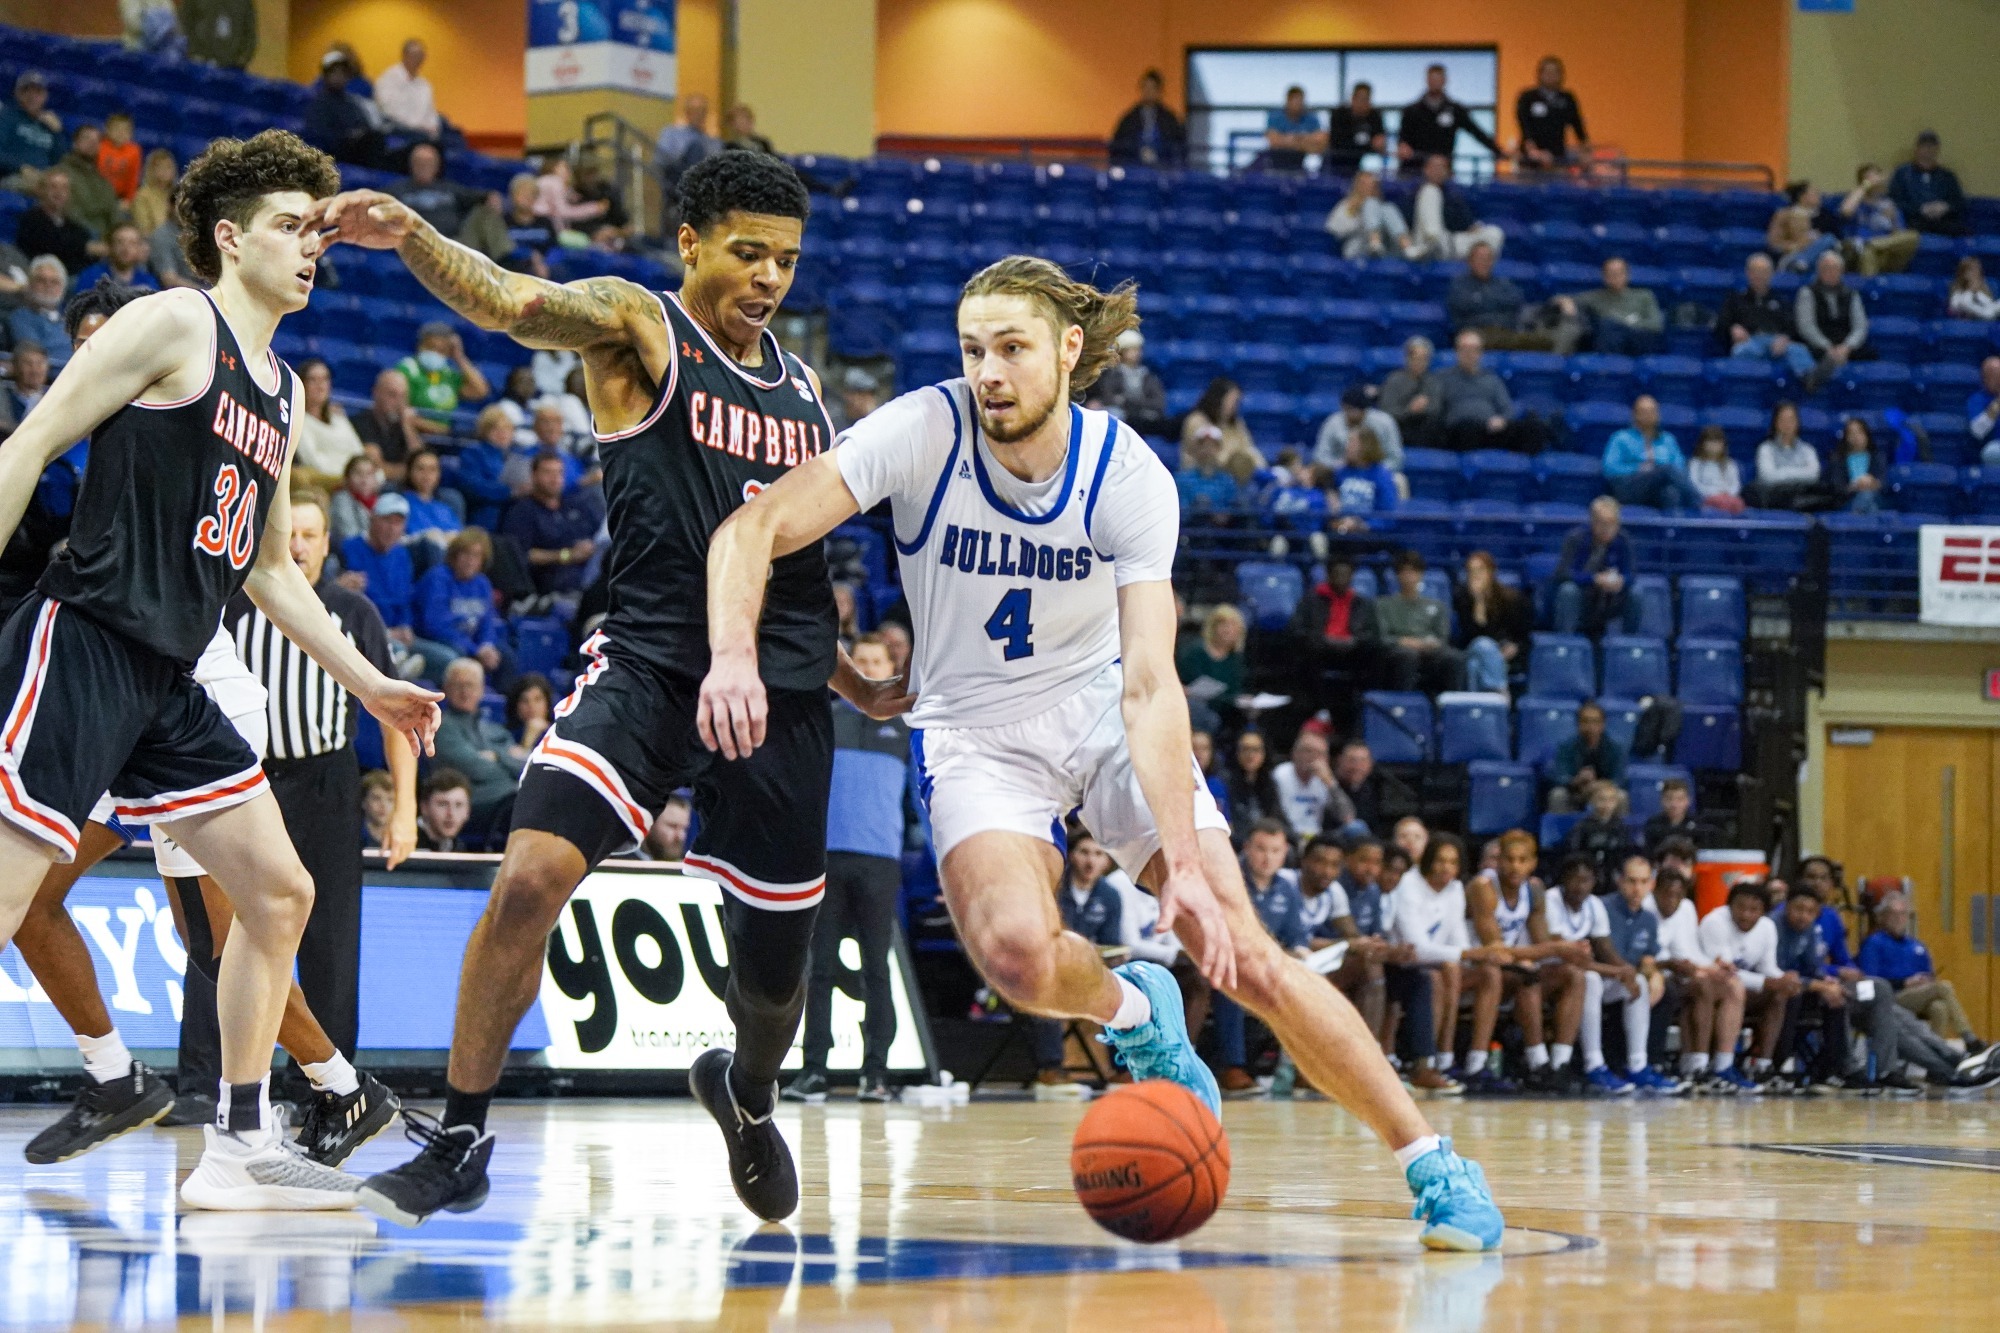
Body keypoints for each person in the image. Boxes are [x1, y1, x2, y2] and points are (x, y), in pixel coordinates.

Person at [703, 253, 1505, 1247]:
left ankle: (1431, 1165)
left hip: (1101, 713)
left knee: (1245, 952)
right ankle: (1135, 1009)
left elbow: (1150, 682)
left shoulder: (1126, 474)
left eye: (1009, 348)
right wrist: (735, 654)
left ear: (1068, 349)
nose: (986, 371)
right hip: (974, 733)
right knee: (1014, 957)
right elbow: (755, 524)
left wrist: (1179, 864)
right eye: (970, 349)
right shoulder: (922, 429)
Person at [317, 151, 901, 1228]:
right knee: (529, 875)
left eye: (784, 259)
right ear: (690, 243)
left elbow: (793, 568)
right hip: (647, 663)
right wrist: (413, 236)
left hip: (779, 690)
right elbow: (509, 302)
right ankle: (461, 1136)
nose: (768, 277)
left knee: (775, 981)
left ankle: (748, 1090)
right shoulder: (638, 327)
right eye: (745, 252)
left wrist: (853, 681)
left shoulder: (807, 390)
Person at [0, 130, 440, 1208]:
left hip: (170, 676)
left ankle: (236, 1149)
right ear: (230, 237)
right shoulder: (173, 321)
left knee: (280, 890)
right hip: (88, 640)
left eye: (317, 231)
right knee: (8, 895)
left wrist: (365, 682)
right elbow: (30, 442)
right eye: (290, 226)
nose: (311, 247)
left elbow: (264, 572)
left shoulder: (280, 389)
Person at [224, 486, 417, 1123]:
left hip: (328, 782)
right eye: (292, 533)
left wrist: (405, 807)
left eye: (311, 535)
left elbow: (394, 716)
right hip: (249, 780)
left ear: (328, 543)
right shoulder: (235, 602)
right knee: (228, 933)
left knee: (332, 942)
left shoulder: (352, 611)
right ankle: (209, 1081)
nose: (300, 545)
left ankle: (329, 1092)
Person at [787, 632, 912, 1103]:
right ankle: (813, 1071)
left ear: (889, 668)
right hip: (827, 859)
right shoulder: (824, 718)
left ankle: (876, 1072)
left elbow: (923, 800)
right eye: (859, 661)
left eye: (876, 661)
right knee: (819, 968)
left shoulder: (904, 727)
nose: (867, 668)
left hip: (880, 862)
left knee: (876, 968)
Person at [1463, 831, 1588, 1095]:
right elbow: (1495, 948)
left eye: (1522, 860)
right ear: (1497, 862)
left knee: (1573, 975)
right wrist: (1554, 948)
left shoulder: (1534, 890)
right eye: (1509, 859)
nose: (1515, 866)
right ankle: (1476, 1066)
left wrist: (1570, 950)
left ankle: (1557, 1064)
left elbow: (1542, 944)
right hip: (1475, 966)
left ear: (1532, 863)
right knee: (1516, 976)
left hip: (1511, 967)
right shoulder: (1482, 888)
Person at [1389, 835, 1512, 1085]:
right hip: (1401, 966)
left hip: (1443, 968)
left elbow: (1460, 943)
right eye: (1440, 861)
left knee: (1489, 973)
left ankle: (1476, 1064)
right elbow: (1418, 948)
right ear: (1427, 861)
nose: (1446, 868)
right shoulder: (1408, 886)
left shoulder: (1456, 889)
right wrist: (1469, 954)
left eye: (1453, 862)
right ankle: (1432, 1061)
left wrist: (1473, 955)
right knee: (1440, 974)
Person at [1213, 820, 1310, 1094]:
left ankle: (1304, 1068)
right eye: (1261, 849)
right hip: (1232, 961)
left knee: (1310, 984)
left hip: (1273, 966)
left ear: (1285, 853)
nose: (1267, 858)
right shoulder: (1228, 879)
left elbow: (1297, 937)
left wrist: (1301, 953)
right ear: (1246, 849)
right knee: (1230, 981)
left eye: (1275, 851)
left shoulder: (1287, 888)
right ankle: (1233, 1067)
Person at [1648, 866, 1754, 1092]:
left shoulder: (1686, 908)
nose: (1672, 900)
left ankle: (1722, 1065)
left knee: (1732, 984)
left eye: (1678, 895)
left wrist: (1712, 966)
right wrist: (1694, 969)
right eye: (1667, 893)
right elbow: (1652, 955)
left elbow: (1689, 950)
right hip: (1658, 972)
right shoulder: (1646, 907)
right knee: (1703, 986)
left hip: (1682, 971)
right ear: (1655, 891)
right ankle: (1696, 1065)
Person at [1540, 856, 1638, 1094]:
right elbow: (1567, 955)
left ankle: (1639, 1064)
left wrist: (1626, 970)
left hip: (1574, 975)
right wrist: (1615, 971)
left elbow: (1605, 948)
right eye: (1575, 879)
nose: (1580, 886)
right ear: (1564, 879)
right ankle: (1593, 1063)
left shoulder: (1594, 905)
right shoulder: (1550, 901)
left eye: (1587, 880)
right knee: (1590, 978)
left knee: (1639, 983)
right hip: (1545, 973)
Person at [1698, 882, 1803, 1087]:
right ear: (1729, 906)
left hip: (1744, 989)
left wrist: (1785, 980)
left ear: (1764, 912)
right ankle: (1721, 1065)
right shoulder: (1715, 922)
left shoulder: (1767, 927)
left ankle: (1763, 1065)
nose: (1746, 915)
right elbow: (1727, 973)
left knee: (1781, 994)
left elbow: (1768, 968)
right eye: (1740, 907)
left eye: (1753, 909)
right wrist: (1769, 982)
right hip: (1714, 988)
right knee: (1733, 987)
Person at [1859, 892, 1985, 1052]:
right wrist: (1905, 982)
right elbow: (1869, 980)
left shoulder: (1917, 946)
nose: (1899, 918)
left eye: (1903, 914)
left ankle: (1937, 1059)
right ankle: (1969, 1038)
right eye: (1893, 914)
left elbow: (1929, 975)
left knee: (1939, 1007)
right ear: (1882, 917)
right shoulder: (1874, 943)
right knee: (1943, 987)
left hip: (1917, 996)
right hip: (1890, 996)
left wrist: (1924, 981)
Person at [431, 657, 523, 845]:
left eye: (471, 685)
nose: (465, 692)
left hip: (504, 799)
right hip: (469, 805)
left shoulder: (494, 729)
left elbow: (524, 766)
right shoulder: (442, 727)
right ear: (446, 689)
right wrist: (507, 761)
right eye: (459, 685)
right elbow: (477, 769)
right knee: (524, 800)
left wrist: (496, 757)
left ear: (481, 690)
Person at [415, 528, 509, 684]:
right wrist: (474, 649)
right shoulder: (437, 578)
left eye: (476, 556)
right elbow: (434, 626)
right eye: (465, 554)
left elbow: (487, 624)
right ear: (454, 555)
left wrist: (486, 645)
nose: (470, 560)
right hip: (436, 641)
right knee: (459, 657)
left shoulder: (482, 584)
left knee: (505, 657)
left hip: (470, 643)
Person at [502, 452, 599, 597]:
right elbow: (523, 554)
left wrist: (592, 547)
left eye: (559, 473)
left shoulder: (576, 505)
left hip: (590, 572)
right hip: (551, 582)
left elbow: (597, 536)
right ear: (534, 476)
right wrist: (567, 555)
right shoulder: (522, 510)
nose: (555, 479)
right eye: (548, 473)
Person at [1369, 550, 1461, 694]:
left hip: (1429, 652)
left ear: (1421, 574)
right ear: (1397, 575)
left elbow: (1442, 637)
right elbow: (1382, 638)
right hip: (1398, 652)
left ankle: (1450, 706)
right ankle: (1405, 705)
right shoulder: (1383, 605)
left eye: (1414, 572)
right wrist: (1407, 642)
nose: (1409, 577)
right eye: (1405, 572)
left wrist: (1430, 644)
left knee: (1454, 657)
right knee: (1408, 655)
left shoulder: (1437, 606)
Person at [1437, 330, 1543, 454]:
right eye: (1465, 349)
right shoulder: (1442, 378)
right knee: (1467, 428)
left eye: (1474, 350)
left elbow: (1507, 409)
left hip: (1491, 429)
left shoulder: (1492, 379)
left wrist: (1502, 420)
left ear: (1480, 353)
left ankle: (1520, 470)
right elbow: (1436, 409)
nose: (1469, 354)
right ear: (1457, 352)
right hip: (1460, 431)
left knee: (1532, 428)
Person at [1552, 497, 1642, 636]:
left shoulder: (1623, 540)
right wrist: (1594, 579)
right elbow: (1563, 573)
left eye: (1612, 523)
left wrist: (1621, 581)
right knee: (1568, 590)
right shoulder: (1575, 538)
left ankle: (1629, 643)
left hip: (1610, 599)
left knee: (1636, 592)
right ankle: (1566, 642)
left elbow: (1631, 574)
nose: (1607, 529)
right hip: (1582, 597)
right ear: (1592, 522)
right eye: (1602, 523)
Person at [1717, 252, 1815, 379]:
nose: (1759, 275)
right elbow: (1720, 325)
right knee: (1741, 351)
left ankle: (1810, 382)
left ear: (1771, 274)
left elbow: (1792, 326)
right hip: (1750, 342)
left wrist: (1785, 338)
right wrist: (1732, 328)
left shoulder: (1781, 301)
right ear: (1748, 273)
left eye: (1764, 271)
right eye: (1755, 271)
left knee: (1799, 351)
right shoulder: (1734, 299)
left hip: (1777, 342)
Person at [1603, 394, 1701, 513]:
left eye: (1652, 411)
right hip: (1629, 487)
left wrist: (1657, 471)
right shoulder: (1621, 438)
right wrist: (1639, 468)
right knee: (1666, 469)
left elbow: (1679, 468)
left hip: (1657, 487)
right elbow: (1610, 468)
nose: (1649, 415)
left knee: (1670, 492)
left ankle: (1674, 528)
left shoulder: (1668, 439)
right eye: (1644, 411)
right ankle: (1699, 501)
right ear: (1635, 414)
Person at [1454, 550, 1530, 693]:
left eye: (1480, 569)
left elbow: (1522, 636)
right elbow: (1470, 636)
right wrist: (1479, 603)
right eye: (1471, 570)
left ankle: (1478, 707)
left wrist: (1514, 648)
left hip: (1504, 654)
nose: (1476, 575)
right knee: (1483, 644)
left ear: (1491, 572)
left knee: (1474, 667)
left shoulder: (1511, 599)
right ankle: (1500, 692)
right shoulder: (1462, 599)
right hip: (1473, 648)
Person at [1795, 249, 1871, 393]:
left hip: (1846, 345)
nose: (1830, 273)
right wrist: (1827, 347)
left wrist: (1847, 347)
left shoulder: (1851, 294)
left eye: (1834, 269)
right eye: (1825, 269)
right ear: (1818, 271)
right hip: (1818, 345)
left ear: (1841, 272)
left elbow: (1860, 326)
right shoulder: (1807, 293)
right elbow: (1806, 326)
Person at [1396, 65, 1502, 166]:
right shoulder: (1411, 111)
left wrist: (1499, 151)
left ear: (1445, 80)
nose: (1435, 82)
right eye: (1432, 79)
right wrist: (1402, 146)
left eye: (1438, 79)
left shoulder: (1455, 110)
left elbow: (1477, 133)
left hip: (1445, 168)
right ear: (1427, 80)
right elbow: (1402, 137)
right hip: (1415, 168)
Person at [1273, 726, 1363, 843]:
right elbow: (1273, 814)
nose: (1313, 757)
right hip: (1287, 834)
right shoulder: (1280, 775)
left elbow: (1348, 817)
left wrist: (1331, 784)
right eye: (1308, 751)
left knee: (1357, 828)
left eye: (1320, 753)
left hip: (1317, 836)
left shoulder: (1324, 779)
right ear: (1295, 753)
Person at [1409, 154, 1504, 262]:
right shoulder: (1413, 192)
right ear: (1425, 170)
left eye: (1442, 167)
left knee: (1495, 233)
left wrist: (1473, 228)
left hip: (1450, 243)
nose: (1438, 171)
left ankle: (1480, 266)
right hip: (1423, 242)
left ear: (1448, 172)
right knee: (1431, 191)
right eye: (1434, 167)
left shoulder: (1453, 196)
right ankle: (1430, 247)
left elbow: (1468, 225)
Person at [304, 52, 387, 170]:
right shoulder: (318, 104)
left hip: (359, 150)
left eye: (343, 73)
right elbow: (320, 137)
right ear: (326, 75)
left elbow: (365, 126)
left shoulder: (351, 102)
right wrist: (348, 136)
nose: (339, 77)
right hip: (337, 153)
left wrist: (358, 134)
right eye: (335, 72)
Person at [351, 368, 434, 483]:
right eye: (392, 395)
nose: (399, 403)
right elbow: (377, 468)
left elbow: (423, 463)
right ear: (376, 393)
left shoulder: (404, 425)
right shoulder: (362, 422)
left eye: (403, 397)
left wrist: (408, 427)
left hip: (407, 487)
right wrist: (412, 473)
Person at [292, 358, 364, 491]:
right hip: (327, 485)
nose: (320, 386)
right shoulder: (297, 419)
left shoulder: (339, 418)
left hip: (357, 483)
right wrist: (351, 474)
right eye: (313, 380)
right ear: (301, 383)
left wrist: (359, 474)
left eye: (325, 379)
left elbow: (359, 454)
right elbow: (313, 462)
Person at [392, 144, 491, 238]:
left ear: (436, 166)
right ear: (411, 165)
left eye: (428, 164)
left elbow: (480, 197)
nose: (424, 168)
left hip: (453, 242)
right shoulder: (397, 191)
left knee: (484, 213)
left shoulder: (449, 188)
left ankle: (503, 255)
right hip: (415, 242)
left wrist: (490, 197)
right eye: (420, 163)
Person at [1838, 165, 1919, 277]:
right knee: (1868, 252)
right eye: (1869, 178)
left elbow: (1899, 236)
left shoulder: (1889, 205)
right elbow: (1846, 211)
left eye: (1876, 176)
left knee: (1913, 236)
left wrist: (1893, 219)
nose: (1875, 181)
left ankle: (1873, 245)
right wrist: (1865, 185)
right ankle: (1870, 246)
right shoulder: (1857, 202)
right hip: (1863, 253)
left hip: (1887, 253)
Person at [1574, 257, 1663, 358]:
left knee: (1610, 325)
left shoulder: (1644, 295)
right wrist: (1565, 302)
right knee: (1606, 326)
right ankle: (1610, 364)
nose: (1615, 277)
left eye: (1619, 273)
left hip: (1638, 339)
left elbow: (1656, 324)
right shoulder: (1596, 297)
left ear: (1627, 275)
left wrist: (1625, 324)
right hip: (1611, 339)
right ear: (1605, 277)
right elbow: (1568, 299)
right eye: (1611, 274)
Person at [398, 321, 491, 416]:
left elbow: (481, 391)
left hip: (445, 430)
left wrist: (459, 357)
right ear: (420, 345)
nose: (435, 353)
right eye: (430, 347)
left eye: (441, 350)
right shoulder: (407, 368)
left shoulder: (448, 374)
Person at [1180, 376, 1262, 483]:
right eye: (1231, 401)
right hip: (1202, 476)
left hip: (1236, 475)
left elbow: (1248, 448)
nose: (1235, 406)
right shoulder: (1196, 421)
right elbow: (1206, 453)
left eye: (1237, 402)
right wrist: (1235, 462)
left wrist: (1260, 466)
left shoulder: (1236, 423)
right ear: (1218, 399)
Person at [1177, 603, 1245, 734]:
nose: (1228, 630)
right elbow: (1183, 680)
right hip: (1195, 704)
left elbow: (1236, 690)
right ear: (1213, 627)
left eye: (1232, 625)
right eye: (1223, 625)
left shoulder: (1236, 659)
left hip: (1225, 707)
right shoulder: (1194, 652)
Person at [1549, 704, 1628, 814]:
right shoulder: (1566, 746)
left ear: (1603, 725)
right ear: (1578, 724)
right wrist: (1576, 780)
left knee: (1621, 796)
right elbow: (1559, 776)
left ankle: (1616, 830)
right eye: (1585, 721)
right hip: (1575, 792)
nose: (1591, 726)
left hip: (1603, 792)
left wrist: (1598, 785)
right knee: (1558, 795)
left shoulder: (1615, 747)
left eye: (1595, 722)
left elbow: (1619, 779)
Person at [16, 169, 97, 277]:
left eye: (64, 188)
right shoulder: (31, 219)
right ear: (42, 190)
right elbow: (54, 245)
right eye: (53, 187)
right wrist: (86, 247)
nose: (59, 192)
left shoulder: (72, 224)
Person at [1515, 56, 1588, 171]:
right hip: (1531, 159)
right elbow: (1524, 125)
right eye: (1547, 72)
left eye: (1555, 72)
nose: (1551, 76)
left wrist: (1585, 150)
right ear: (1540, 74)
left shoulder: (1567, 98)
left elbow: (1578, 126)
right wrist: (1533, 150)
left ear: (1561, 75)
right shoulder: (1527, 97)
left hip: (1557, 156)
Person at [1749, 401, 1825, 511]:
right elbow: (1767, 477)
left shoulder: (1808, 450)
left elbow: (1813, 475)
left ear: (1797, 422)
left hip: (1802, 496)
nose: (1787, 424)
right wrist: (1799, 473)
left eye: (1791, 420)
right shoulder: (1765, 448)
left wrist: (1782, 472)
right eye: (1783, 420)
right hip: (1774, 499)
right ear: (1775, 423)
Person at [1444, 240, 1526, 341]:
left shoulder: (1504, 284)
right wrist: (1494, 309)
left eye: (1488, 259)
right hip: (1473, 336)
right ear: (1470, 261)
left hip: (1505, 333)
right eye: (1480, 258)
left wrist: (1483, 306)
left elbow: (1515, 305)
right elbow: (1462, 313)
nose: (1484, 262)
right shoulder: (1459, 285)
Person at [1316, 382, 1404, 475]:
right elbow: (1320, 455)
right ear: (1343, 407)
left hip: (1376, 472)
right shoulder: (1333, 423)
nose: (1353, 414)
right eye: (1349, 409)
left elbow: (1396, 459)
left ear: (1365, 409)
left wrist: (1374, 470)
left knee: (1399, 479)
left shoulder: (1384, 422)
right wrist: (1337, 465)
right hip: (1341, 472)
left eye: (1356, 410)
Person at [1092, 328, 1168, 436]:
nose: (1136, 353)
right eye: (1131, 350)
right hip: (1122, 415)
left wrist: (1130, 402)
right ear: (1122, 351)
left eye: (1137, 349)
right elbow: (1108, 397)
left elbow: (1158, 402)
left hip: (1142, 416)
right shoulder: (1112, 374)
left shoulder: (1147, 376)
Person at [55, 124, 122, 244]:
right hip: (76, 238)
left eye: (97, 140)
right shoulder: (61, 173)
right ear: (75, 143)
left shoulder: (104, 182)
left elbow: (114, 215)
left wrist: (119, 238)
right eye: (87, 138)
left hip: (107, 241)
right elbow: (68, 212)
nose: (93, 143)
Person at [1109, 69, 1187, 169]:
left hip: (1163, 170)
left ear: (1159, 91)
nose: (1148, 91)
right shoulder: (1129, 119)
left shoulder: (1170, 119)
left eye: (1152, 88)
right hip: (1134, 169)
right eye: (1145, 87)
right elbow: (1117, 146)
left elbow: (1179, 147)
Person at [1325, 170, 1410, 260]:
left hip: (1385, 250)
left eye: (1372, 186)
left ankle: (1407, 247)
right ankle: (1374, 243)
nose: (1368, 188)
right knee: (1370, 203)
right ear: (1357, 186)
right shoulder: (1347, 204)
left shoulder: (1383, 208)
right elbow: (1333, 228)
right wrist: (1356, 217)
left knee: (1388, 207)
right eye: (1364, 185)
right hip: (1357, 249)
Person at [1563, 779, 1632, 885]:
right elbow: (1575, 853)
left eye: (1611, 800)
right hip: (1588, 873)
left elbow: (1625, 854)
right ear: (1592, 801)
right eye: (1602, 799)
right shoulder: (1582, 827)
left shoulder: (1621, 827)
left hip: (1613, 874)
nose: (1606, 804)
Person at [1380, 335, 1444, 449]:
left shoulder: (1433, 381)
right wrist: (1409, 410)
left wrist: (1423, 408)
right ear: (1408, 358)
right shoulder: (1394, 380)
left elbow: (1436, 407)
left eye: (1424, 359)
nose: (1420, 363)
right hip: (1400, 428)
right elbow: (1387, 411)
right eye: (1416, 358)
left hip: (1425, 430)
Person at [0, 71, 62, 184]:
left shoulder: (51, 124)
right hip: (12, 177)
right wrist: (20, 168)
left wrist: (58, 133)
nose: (32, 96)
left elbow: (61, 161)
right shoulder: (6, 116)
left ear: (45, 96)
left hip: (45, 181)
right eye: (26, 91)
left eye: (38, 92)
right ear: (17, 93)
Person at [10, 257, 71, 371]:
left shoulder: (72, 319)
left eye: (54, 282)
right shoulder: (21, 317)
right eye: (41, 280)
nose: (48, 286)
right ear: (29, 284)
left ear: (63, 288)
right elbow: (35, 360)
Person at [653, 92, 721, 195]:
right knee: (695, 148)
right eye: (694, 110)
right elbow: (660, 160)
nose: (698, 115)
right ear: (687, 112)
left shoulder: (712, 141)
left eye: (702, 111)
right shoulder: (672, 133)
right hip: (677, 181)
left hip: (706, 184)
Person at [373, 38, 441, 139]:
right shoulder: (388, 80)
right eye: (414, 55)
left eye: (421, 56)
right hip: (399, 132)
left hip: (425, 132)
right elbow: (388, 111)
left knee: (455, 141)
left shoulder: (425, 85)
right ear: (404, 55)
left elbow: (431, 113)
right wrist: (417, 127)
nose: (418, 60)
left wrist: (432, 127)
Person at [1334, 426, 1401, 524]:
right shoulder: (1340, 472)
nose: (1347, 447)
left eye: (1352, 443)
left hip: (1371, 535)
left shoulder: (1381, 475)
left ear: (1366, 446)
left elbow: (1388, 515)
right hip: (1340, 529)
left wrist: (1365, 525)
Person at [1768, 181, 1837, 275]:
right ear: (1802, 196)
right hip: (1793, 255)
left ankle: (1803, 262)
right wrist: (1796, 246)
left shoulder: (1826, 216)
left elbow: (1836, 238)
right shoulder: (1784, 215)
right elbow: (1774, 243)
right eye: (1815, 193)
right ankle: (1799, 262)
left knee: (1829, 239)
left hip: (1819, 259)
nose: (1819, 196)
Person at [1224, 729, 1282, 841]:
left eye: (1256, 750)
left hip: (1265, 841)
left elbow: (1278, 819)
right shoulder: (1225, 782)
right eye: (1245, 749)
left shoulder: (1270, 783)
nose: (1250, 755)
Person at [400, 448, 463, 547]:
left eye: (432, 469)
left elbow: (458, 535)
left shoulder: (445, 507)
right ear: (409, 472)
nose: (427, 475)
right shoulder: (402, 504)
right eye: (421, 469)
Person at [1321, 82, 1386, 177]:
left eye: (1367, 99)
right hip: (1339, 163)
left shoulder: (1375, 116)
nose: (1363, 103)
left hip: (1366, 164)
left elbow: (1379, 142)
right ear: (1353, 99)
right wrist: (1368, 145)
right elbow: (1338, 143)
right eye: (1361, 99)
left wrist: (1377, 145)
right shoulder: (1339, 115)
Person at [74, 222, 158, 295]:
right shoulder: (91, 277)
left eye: (132, 243)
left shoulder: (148, 281)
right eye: (120, 242)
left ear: (139, 248)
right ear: (110, 246)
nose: (126, 249)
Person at [328, 454, 384, 546]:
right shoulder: (341, 500)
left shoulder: (381, 502)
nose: (364, 479)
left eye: (369, 474)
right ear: (347, 478)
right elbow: (350, 535)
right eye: (358, 473)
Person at [1264, 86, 1322, 173]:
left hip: (1302, 162)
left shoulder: (1311, 117)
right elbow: (1273, 141)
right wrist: (1302, 141)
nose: (1298, 104)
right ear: (1288, 101)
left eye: (1300, 101)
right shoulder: (1275, 116)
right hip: (1277, 161)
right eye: (1295, 101)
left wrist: (1287, 140)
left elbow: (1319, 142)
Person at [1688, 426, 1745, 515]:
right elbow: (1694, 484)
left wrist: (1726, 494)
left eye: (1717, 442)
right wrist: (1713, 494)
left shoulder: (1730, 464)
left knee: (1738, 503)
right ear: (1702, 444)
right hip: (1706, 499)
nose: (1714, 445)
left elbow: (1735, 485)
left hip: (1727, 498)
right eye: (1710, 441)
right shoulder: (1695, 463)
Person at [1832, 416, 1883, 514]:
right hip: (1848, 501)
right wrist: (1855, 486)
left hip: (1875, 498)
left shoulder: (1877, 458)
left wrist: (1872, 483)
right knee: (1868, 501)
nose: (1856, 437)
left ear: (1866, 435)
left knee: (1868, 495)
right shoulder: (1838, 460)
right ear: (1846, 437)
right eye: (1851, 433)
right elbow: (1837, 487)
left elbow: (1883, 483)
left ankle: (1856, 522)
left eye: (1859, 432)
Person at [415, 768, 473, 852]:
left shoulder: (458, 846)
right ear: (424, 807)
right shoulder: (406, 842)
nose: (451, 813)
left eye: (458, 805)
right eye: (443, 804)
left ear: (467, 811)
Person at [129, 148, 178, 238]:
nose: (165, 170)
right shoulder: (142, 196)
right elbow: (144, 230)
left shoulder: (178, 194)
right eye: (160, 167)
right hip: (156, 242)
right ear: (151, 170)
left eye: (168, 166)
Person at [1641, 776, 1699, 851]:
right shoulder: (1653, 825)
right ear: (1662, 800)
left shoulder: (1697, 825)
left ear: (1688, 801)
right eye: (1669, 799)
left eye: (1679, 799)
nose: (1674, 804)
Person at [505, 672, 554, 751]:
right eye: (525, 700)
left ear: (547, 704)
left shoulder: (560, 734)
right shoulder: (504, 735)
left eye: (537, 699)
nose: (531, 705)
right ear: (516, 705)